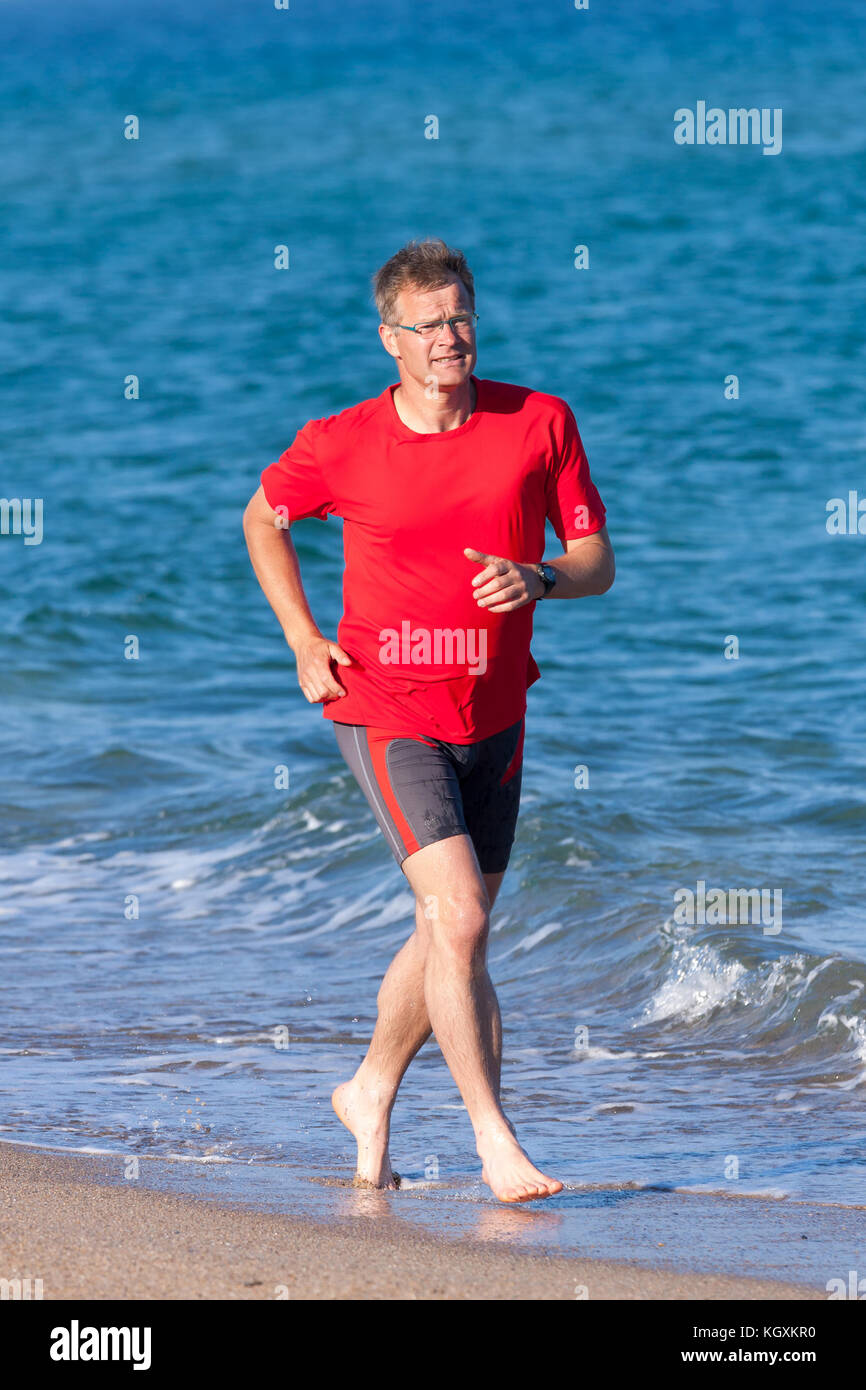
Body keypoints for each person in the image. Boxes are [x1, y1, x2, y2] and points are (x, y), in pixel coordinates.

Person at [243, 237, 614, 1203]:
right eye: (430, 324)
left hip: (496, 709)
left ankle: (368, 1091)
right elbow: (263, 518)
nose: (452, 336)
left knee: (451, 930)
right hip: (385, 703)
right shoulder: (341, 441)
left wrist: (538, 577)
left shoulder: (539, 422)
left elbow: (596, 562)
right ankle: (496, 1142)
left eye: (462, 316)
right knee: (462, 915)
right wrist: (301, 638)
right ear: (390, 341)